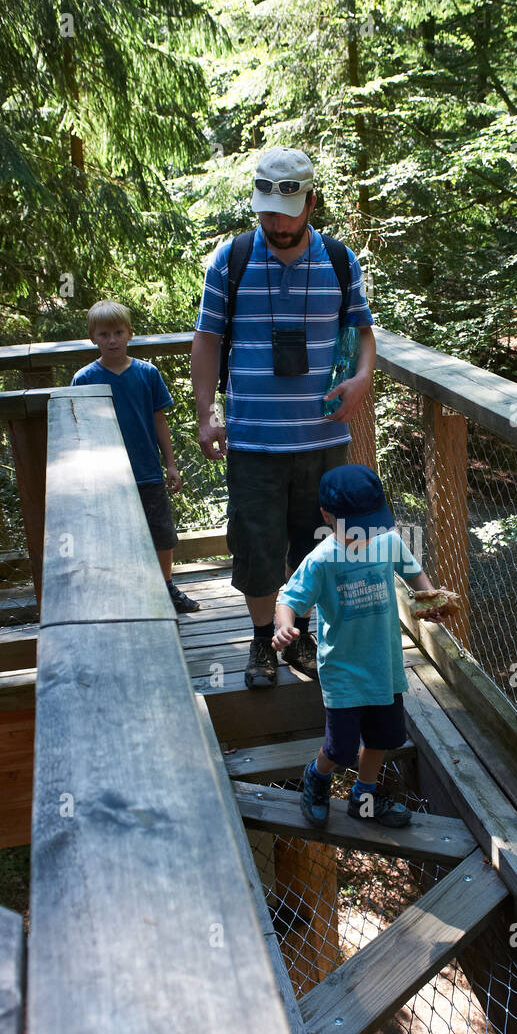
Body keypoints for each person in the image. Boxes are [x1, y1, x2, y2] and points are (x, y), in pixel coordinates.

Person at [190, 146, 375, 689]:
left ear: (310, 204)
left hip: (323, 438)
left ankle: (299, 636)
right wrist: (205, 415)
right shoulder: (233, 258)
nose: (274, 222)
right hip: (253, 441)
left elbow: (363, 334)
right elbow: (207, 340)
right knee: (255, 546)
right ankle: (260, 642)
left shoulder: (340, 261)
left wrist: (363, 379)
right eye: (266, 210)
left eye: (286, 210)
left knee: (316, 545)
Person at [272, 464, 454, 828]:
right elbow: (288, 599)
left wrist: (430, 597)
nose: (368, 532)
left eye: (373, 522)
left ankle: (363, 796)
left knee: (382, 739)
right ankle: (318, 776)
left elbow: (414, 572)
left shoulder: (388, 542)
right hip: (343, 669)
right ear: (327, 516)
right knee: (340, 748)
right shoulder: (322, 560)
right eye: (357, 524)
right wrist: (284, 628)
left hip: (384, 665)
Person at [71, 300, 200, 614]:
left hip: (147, 471)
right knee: (113, 534)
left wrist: (170, 464)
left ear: (129, 333)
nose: (112, 340)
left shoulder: (147, 373)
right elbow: (77, 430)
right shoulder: (84, 380)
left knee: (162, 534)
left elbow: (159, 420)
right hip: (106, 478)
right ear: (93, 338)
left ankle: (165, 586)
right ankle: (123, 592)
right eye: (104, 334)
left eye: (118, 332)